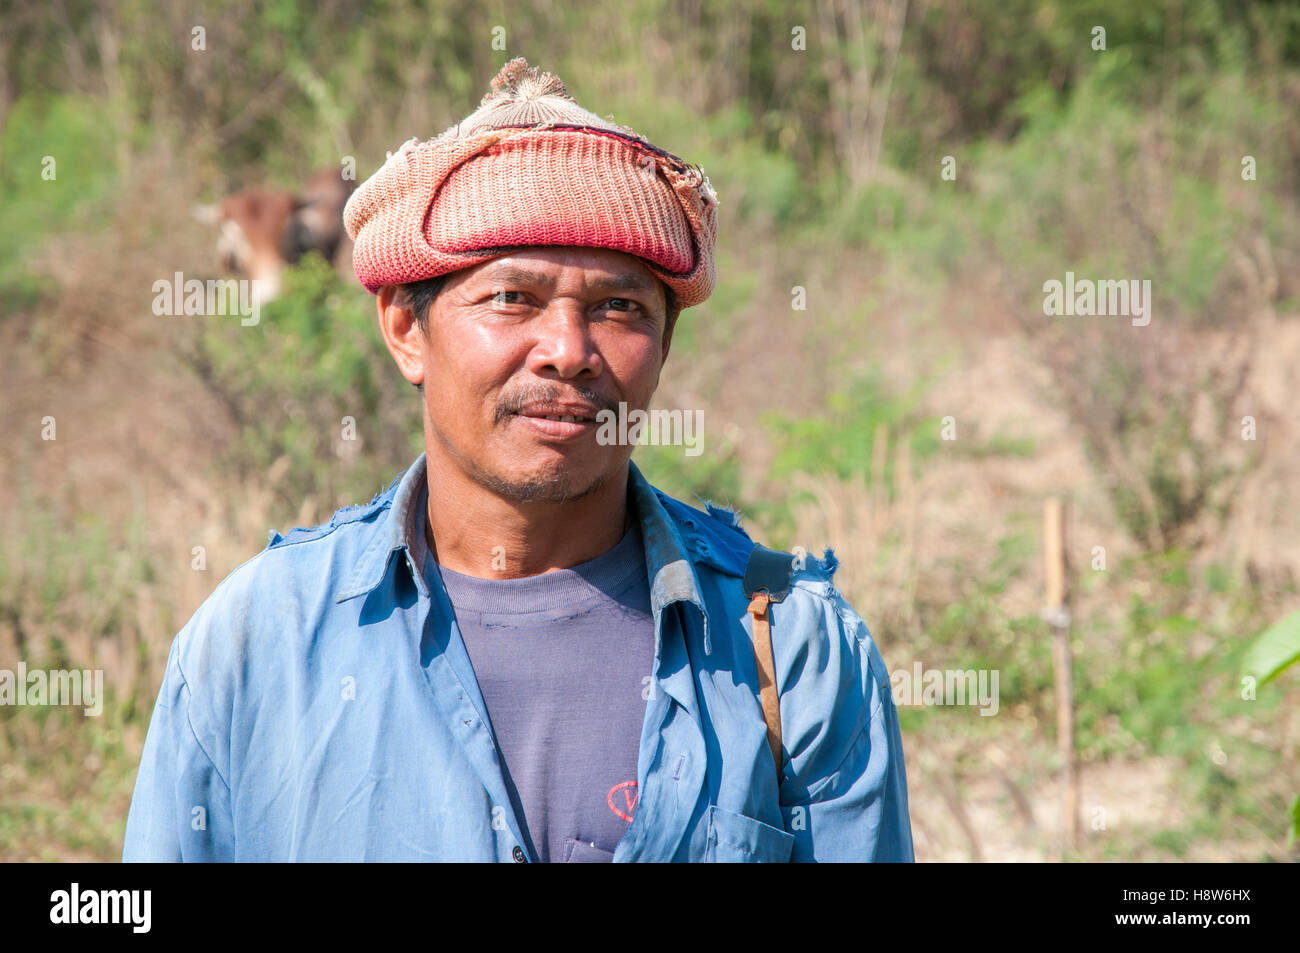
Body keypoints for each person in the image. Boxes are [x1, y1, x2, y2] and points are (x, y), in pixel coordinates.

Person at [123, 58, 914, 862]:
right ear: (404, 329)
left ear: (664, 343)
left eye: (619, 306)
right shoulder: (258, 645)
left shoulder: (790, 650)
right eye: (512, 298)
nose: (569, 352)